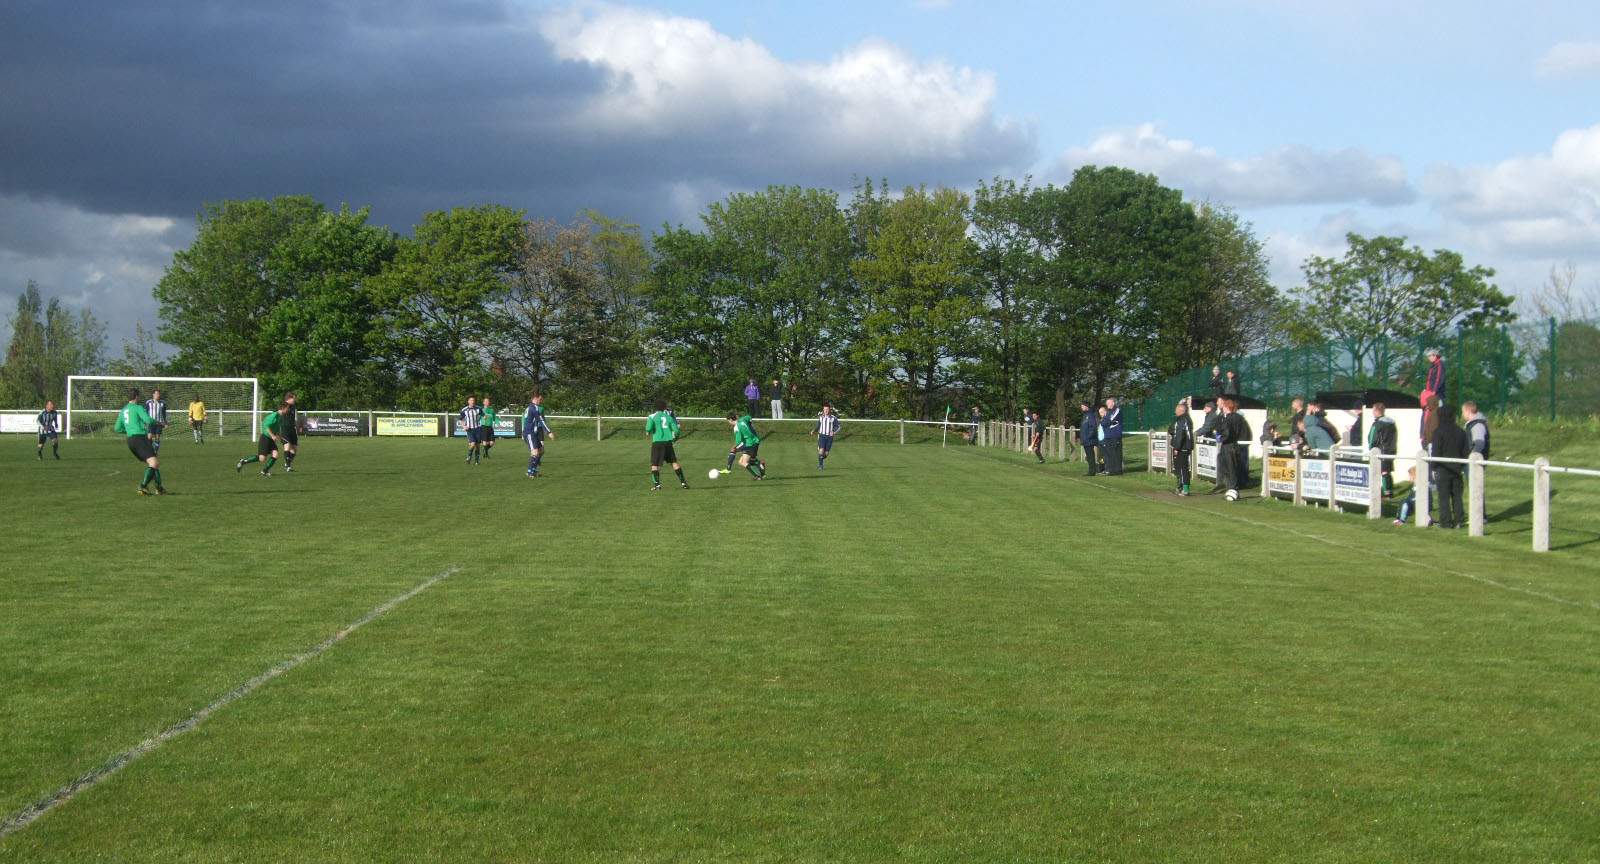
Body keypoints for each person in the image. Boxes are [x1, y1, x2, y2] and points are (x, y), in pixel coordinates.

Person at [114, 389, 167, 495]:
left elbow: (117, 428)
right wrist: (159, 423)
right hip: (140, 438)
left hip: (131, 441)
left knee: (153, 463)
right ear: (137, 397)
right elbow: (148, 420)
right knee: (154, 463)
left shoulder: (123, 410)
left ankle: (159, 488)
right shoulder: (138, 408)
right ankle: (143, 487)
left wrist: (130, 430)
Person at [1432, 406, 1469, 528]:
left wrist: (1433, 467)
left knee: (1444, 497)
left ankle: (1446, 522)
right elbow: (1465, 452)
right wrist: (1461, 466)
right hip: (1457, 468)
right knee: (1457, 496)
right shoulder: (1460, 431)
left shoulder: (1438, 431)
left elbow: (1436, 452)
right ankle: (1459, 520)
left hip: (1443, 468)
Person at [237, 402, 289, 476]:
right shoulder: (273, 416)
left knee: (275, 454)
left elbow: (277, 429)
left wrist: (280, 437)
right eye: (287, 408)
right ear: (283, 408)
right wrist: (273, 436)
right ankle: (243, 461)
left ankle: (265, 471)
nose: (288, 409)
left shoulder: (281, 417)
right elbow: (267, 427)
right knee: (262, 458)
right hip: (265, 437)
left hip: (271, 438)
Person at [647, 399, 688, 490]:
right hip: (668, 443)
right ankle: (683, 483)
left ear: (655, 408)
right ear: (664, 408)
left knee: (654, 464)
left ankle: (657, 485)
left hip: (657, 443)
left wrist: (648, 432)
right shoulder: (668, 417)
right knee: (674, 462)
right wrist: (675, 437)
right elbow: (676, 430)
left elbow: (648, 428)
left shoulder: (652, 416)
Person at [1368, 402, 1398, 497]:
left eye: (1373, 410)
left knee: (1383, 471)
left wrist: (1371, 449)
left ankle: (1387, 493)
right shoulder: (1392, 423)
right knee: (1387, 471)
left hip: (1381, 450)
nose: (1372, 412)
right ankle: (1390, 490)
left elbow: (1372, 438)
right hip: (1391, 450)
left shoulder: (1378, 424)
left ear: (1376, 411)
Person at [728, 410, 768, 480]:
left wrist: (734, 447)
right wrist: (749, 423)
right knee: (741, 462)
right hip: (754, 441)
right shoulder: (743, 419)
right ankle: (759, 465)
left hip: (750, 443)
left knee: (744, 462)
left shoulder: (737, 426)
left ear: (731, 420)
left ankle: (757, 476)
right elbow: (749, 417)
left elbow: (738, 440)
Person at [522, 393, 555, 477]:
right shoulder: (534, 408)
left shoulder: (530, 407)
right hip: (529, 433)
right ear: (535, 399)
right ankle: (530, 472)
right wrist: (549, 432)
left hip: (533, 433)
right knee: (535, 452)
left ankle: (533, 470)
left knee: (541, 451)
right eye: (540, 399)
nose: (541, 401)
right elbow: (541, 420)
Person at [1170, 400, 1194, 495]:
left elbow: (1180, 435)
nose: (1175, 412)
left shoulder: (1181, 420)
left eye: (1176, 410)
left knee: (1182, 468)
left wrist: (1177, 447)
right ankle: (1180, 487)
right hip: (1186, 447)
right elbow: (1171, 429)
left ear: (1180, 410)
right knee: (1181, 467)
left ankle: (1185, 489)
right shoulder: (1187, 419)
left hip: (1182, 447)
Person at [812, 404, 840, 470]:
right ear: (823, 410)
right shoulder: (821, 417)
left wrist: (833, 432)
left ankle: (820, 459)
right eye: (825, 409)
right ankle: (820, 465)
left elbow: (838, 426)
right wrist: (814, 430)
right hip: (821, 436)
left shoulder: (833, 418)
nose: (826, 410)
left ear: (829, 410)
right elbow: (819, 425)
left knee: (826, 454)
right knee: (821, 450)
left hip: (829, 438)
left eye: (827, 409)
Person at [1100, 398, 1123, 475]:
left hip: (1115, 435)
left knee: (1116, 453)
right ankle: (1111, 469)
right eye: (1107, 403)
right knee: (1110, 454)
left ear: (1113, 403)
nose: (1107, 405)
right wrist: (1108, 422)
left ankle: (1118, 470)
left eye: (1108, 403)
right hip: (1108, 436)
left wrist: (1107, 423)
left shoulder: (1117, 410)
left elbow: (1110, 419)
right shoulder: (1108, 412)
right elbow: (1103, 422)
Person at [460, 396, 484, 464]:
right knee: (473, 444)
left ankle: (476, 461)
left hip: (477, 429)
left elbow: (483, 415)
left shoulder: (478, 408)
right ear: (468, 401)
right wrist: (464, 426)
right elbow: (460, 419)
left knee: (478, 446)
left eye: (473, 400)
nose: (472, 401)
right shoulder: (464, 410)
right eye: (471, 400)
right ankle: (469, 456)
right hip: (470, 429)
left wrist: (485, 417)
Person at [281, 392, 299, 471]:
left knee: (294, 449)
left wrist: (297, 425)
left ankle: (287, 463)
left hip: (292, 429)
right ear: (289, 398)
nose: (295, 400)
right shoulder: (282, 405)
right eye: (294, 398)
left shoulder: (293, 407)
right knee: (287, 445)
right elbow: (275, 415)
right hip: (284, 428)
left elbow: (293, 418)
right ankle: (288, 466)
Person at [1079, 403, 1099, 476]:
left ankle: (1092, 471)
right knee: (1088, 455)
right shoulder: (1085, 415)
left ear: (1087, 407)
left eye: (1083, 406)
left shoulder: (1090, 415)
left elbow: (1093, 427)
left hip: (1089, 439)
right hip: (1086, 439)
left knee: (1090, 455)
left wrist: (1088, 436)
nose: (1081, 408)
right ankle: (1092, 470)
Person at [145, 389, 167, 454]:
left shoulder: (162, 403)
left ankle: (155, 452)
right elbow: (145, 413)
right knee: (149, 437)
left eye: (159, 394)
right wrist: (145, 421)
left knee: (157, 438)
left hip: (159, 423)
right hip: (151, 422)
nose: (158, 395)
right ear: (153, 394)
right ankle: (150, 450)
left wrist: (166, 423)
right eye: (156, 393)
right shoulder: (148, 403)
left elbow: (164, 413)